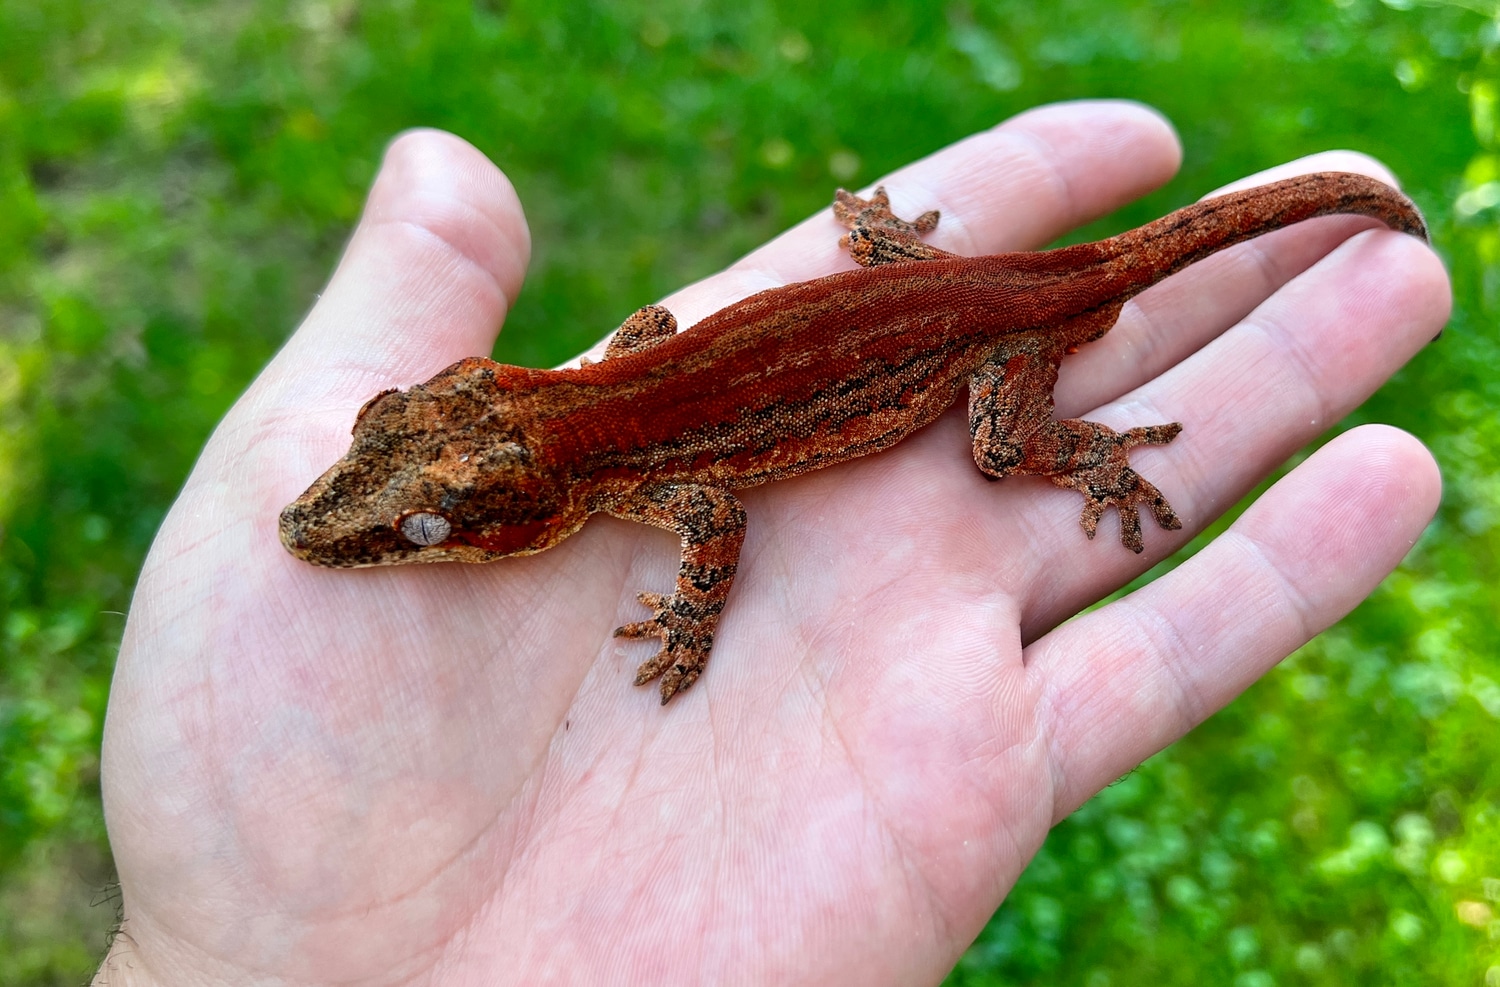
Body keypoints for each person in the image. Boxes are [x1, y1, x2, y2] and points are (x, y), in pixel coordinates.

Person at [93, 100, 1448, 986]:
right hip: (922, 293)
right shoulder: (611, 391)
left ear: (531, 504)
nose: (387, 531)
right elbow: (647, 345)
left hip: (991, 332)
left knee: (993, 452)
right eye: (412, 521)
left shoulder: (656, 477)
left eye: (420, 526)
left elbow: (718, 512)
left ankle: (1078, 445)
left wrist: (695, 623)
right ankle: (964, 294)